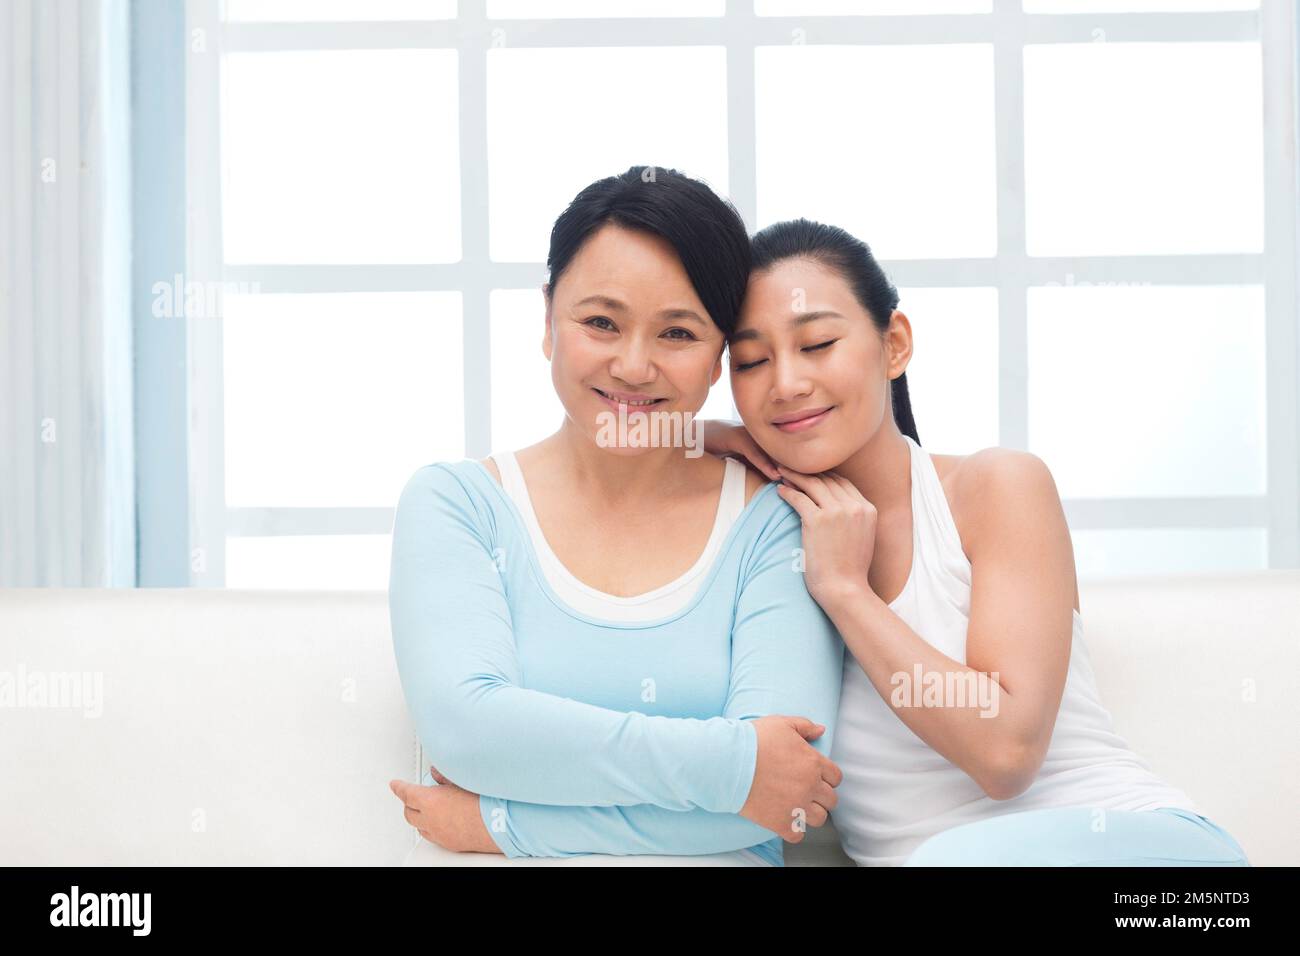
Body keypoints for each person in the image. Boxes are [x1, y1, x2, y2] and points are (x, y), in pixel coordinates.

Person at [703, 217, 1251, 866]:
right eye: (752, 362)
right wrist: (713, 436)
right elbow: (609, 450)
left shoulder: (995, 488)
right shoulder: (764, 543)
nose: (786, 383)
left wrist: (847, 592)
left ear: (895, 343)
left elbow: (1006, 754)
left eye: (818, 343)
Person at [387, 170, 845, 866]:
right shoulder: (457, 506)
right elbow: (467, 729)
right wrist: (732, 766)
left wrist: (507, 825)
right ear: (547, 321)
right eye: (601, 322)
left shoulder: (774, 520)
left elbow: (786, 796)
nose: (633, 366)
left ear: (721, 353)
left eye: (678, 332)